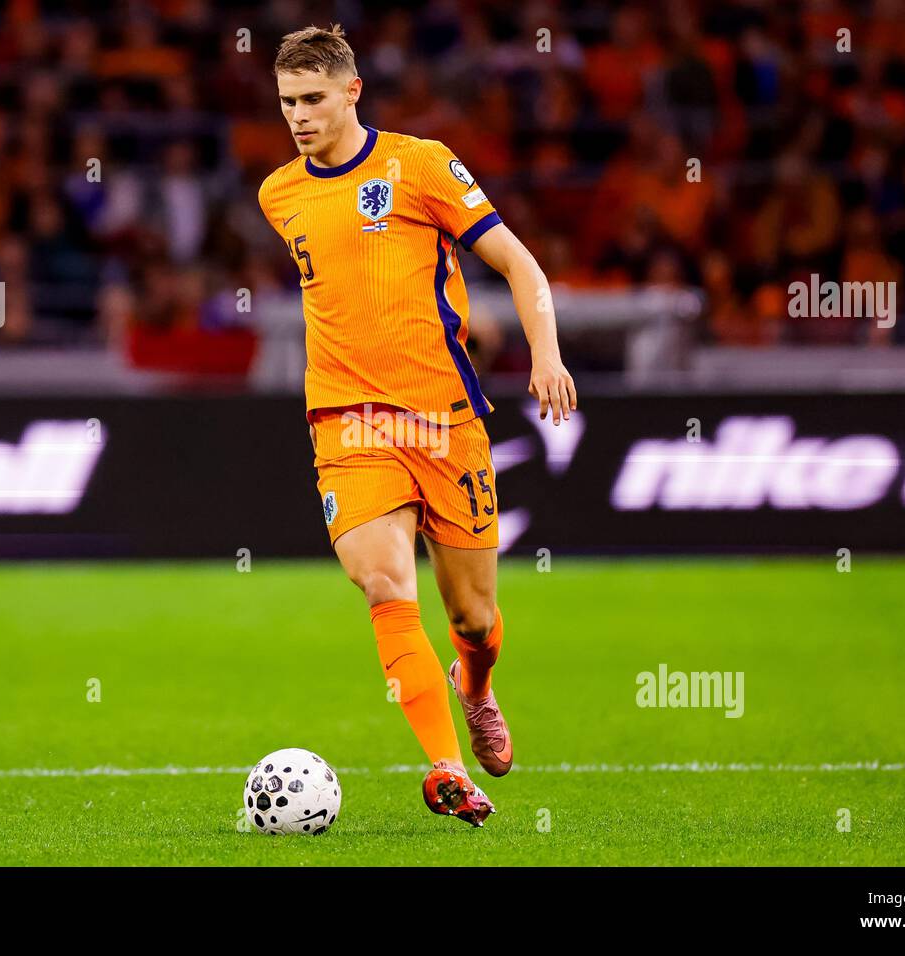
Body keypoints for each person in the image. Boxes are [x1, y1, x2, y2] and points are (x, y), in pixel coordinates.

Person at [257, 24, 576, 826]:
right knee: (384, 583)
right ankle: (446, 769)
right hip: (346, 422)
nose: (299, 116)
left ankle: (478, 686)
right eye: (288, 101)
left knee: (472, 618)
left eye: (314, 99)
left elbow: (520, 263)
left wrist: (546, 355)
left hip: (445, 422)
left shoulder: (421, 164)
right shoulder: (278, 194)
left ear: (352, 91)